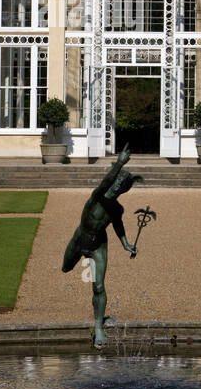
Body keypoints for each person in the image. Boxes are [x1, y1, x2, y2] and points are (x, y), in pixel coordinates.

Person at [61, 145, 143, 346]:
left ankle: (99, 326)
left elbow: (117, 224)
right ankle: (100, 319)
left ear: (124, 190)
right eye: (115, 183)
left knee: (98, 286)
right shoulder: (97, 197)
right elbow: (105, 181)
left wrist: (126, 244)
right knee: (65, 268)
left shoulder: (117, 208)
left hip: (99, 244)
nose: (116, 187)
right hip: (80, 239)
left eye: (121, 186)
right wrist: (120, 163)